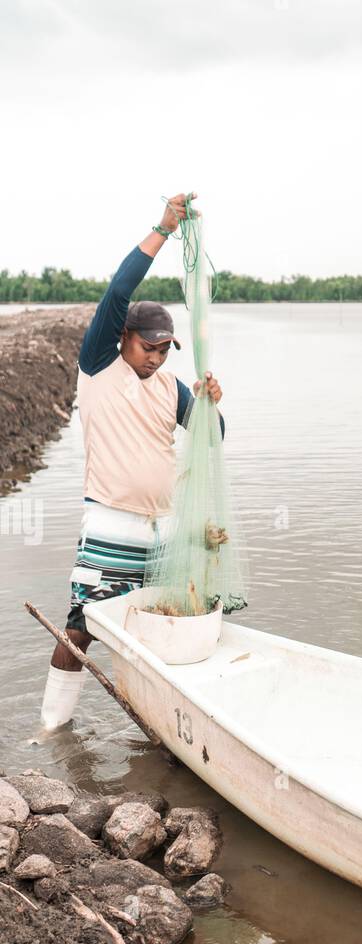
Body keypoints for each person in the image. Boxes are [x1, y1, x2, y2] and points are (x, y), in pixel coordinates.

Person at [40, 192, 225, 731]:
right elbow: (119, 290)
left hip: (165, 535)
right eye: (149, 347)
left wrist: (213, 402)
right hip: (110, 524)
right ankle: (52, 729)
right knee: (81, 629)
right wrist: (163, 229)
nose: (157, 357)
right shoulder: (98, 367)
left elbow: (213, 439)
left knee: (162, 629)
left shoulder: (171, 388)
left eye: (166, 349)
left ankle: (163, 736)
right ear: (123, 338)